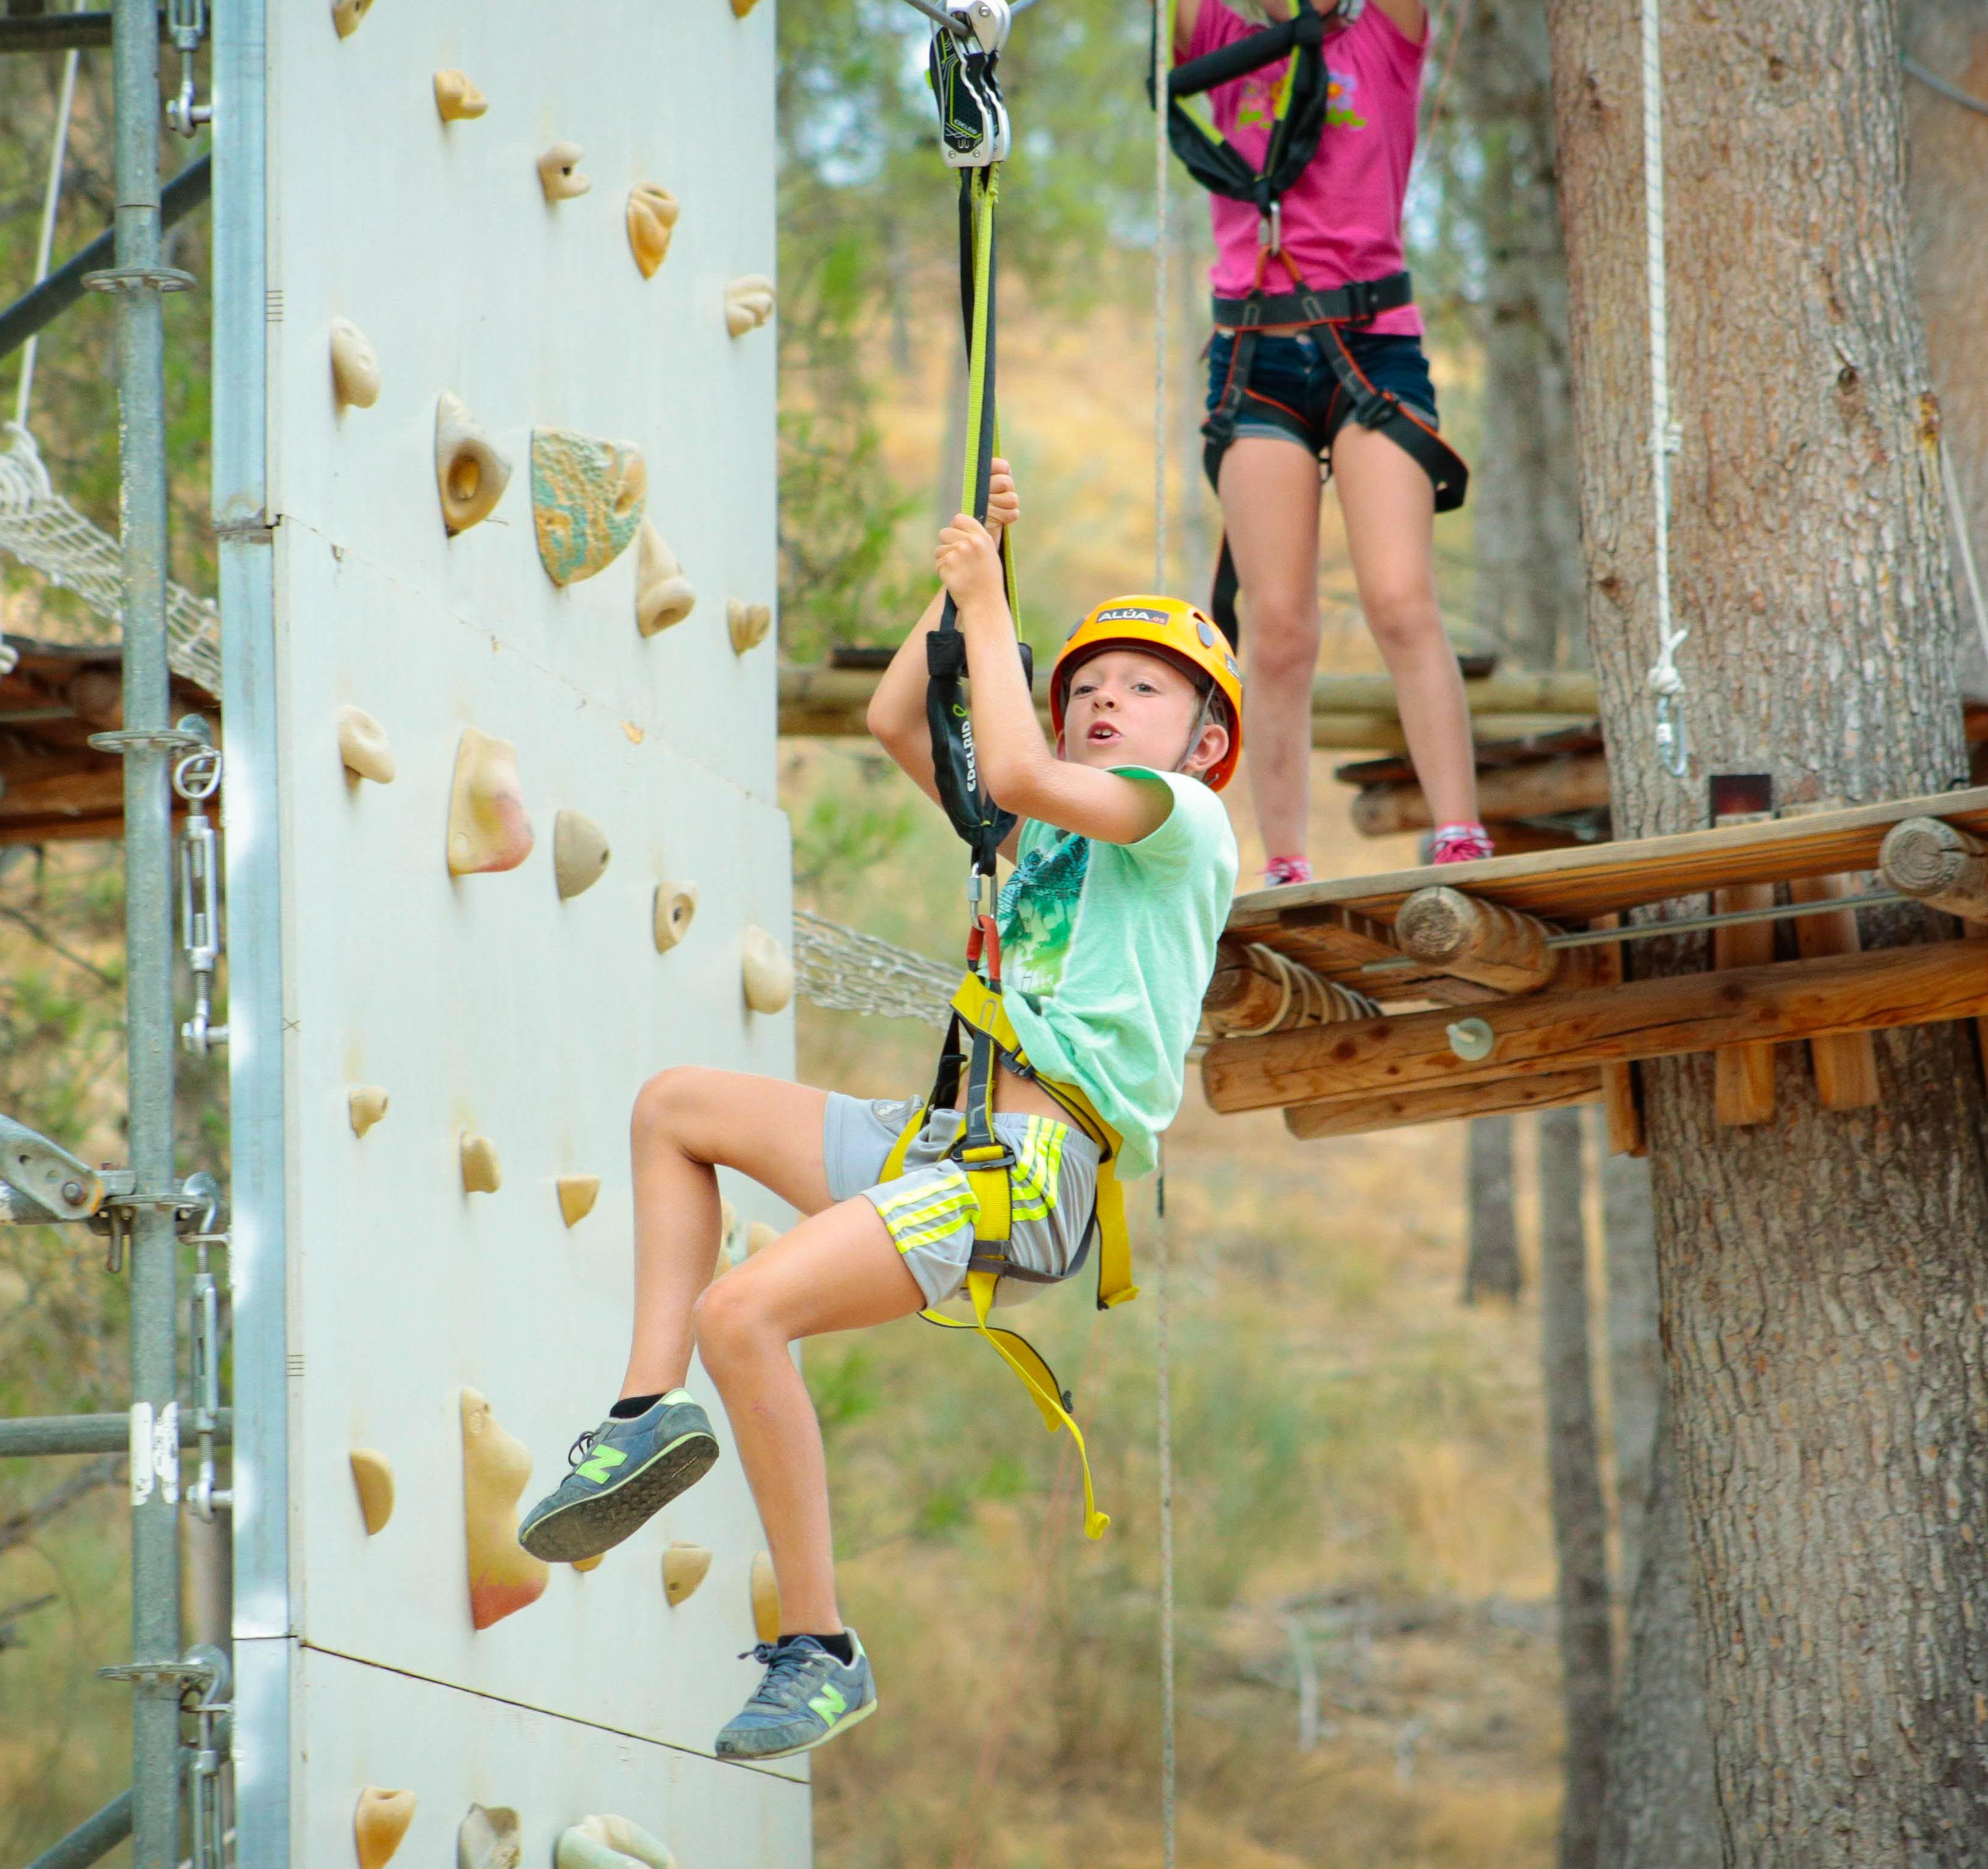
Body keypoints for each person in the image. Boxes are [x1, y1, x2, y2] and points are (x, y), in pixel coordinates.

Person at [513, 463, 1241, 1762]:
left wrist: (991, 597)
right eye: (1084, 689)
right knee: (677, 1108)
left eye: (1139, 690)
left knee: (743, 1313)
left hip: (1026, 1173)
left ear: (1205, 742)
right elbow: (902, 719)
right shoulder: (1054, 847)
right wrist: (961, 586)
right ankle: (639, 1415)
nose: (1101, 704)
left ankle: (823, 1648)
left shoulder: (1181, 823)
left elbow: (1011, 763)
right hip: (948, 1142)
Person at [1174, 0, 1485, 885]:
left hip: (1372, 345)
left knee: (1398, 597)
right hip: (1255, 353)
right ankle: (1286, 861)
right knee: (1276, 627)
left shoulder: (1382, 34)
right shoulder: (1217, 38)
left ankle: (1459, 829)